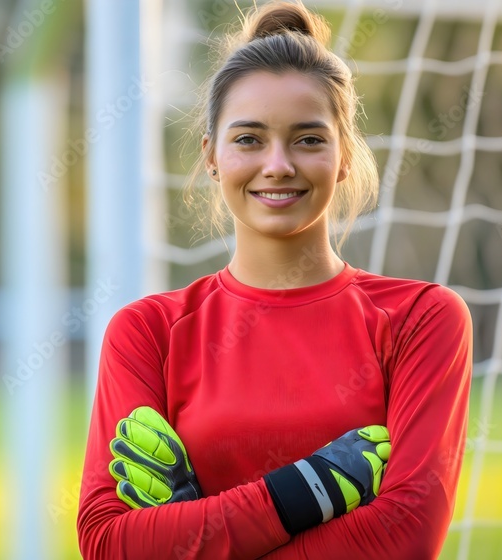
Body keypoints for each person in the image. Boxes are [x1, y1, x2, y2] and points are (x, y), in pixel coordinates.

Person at [76, 1, 473, 558]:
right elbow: (107, 542)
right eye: (249, 139)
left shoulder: (421, 319)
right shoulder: (148, 333)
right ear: (211, 156)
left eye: (309, 139)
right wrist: (304, 490)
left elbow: (406, 535)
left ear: (344, 158)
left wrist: (194, 536)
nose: (279, 164)